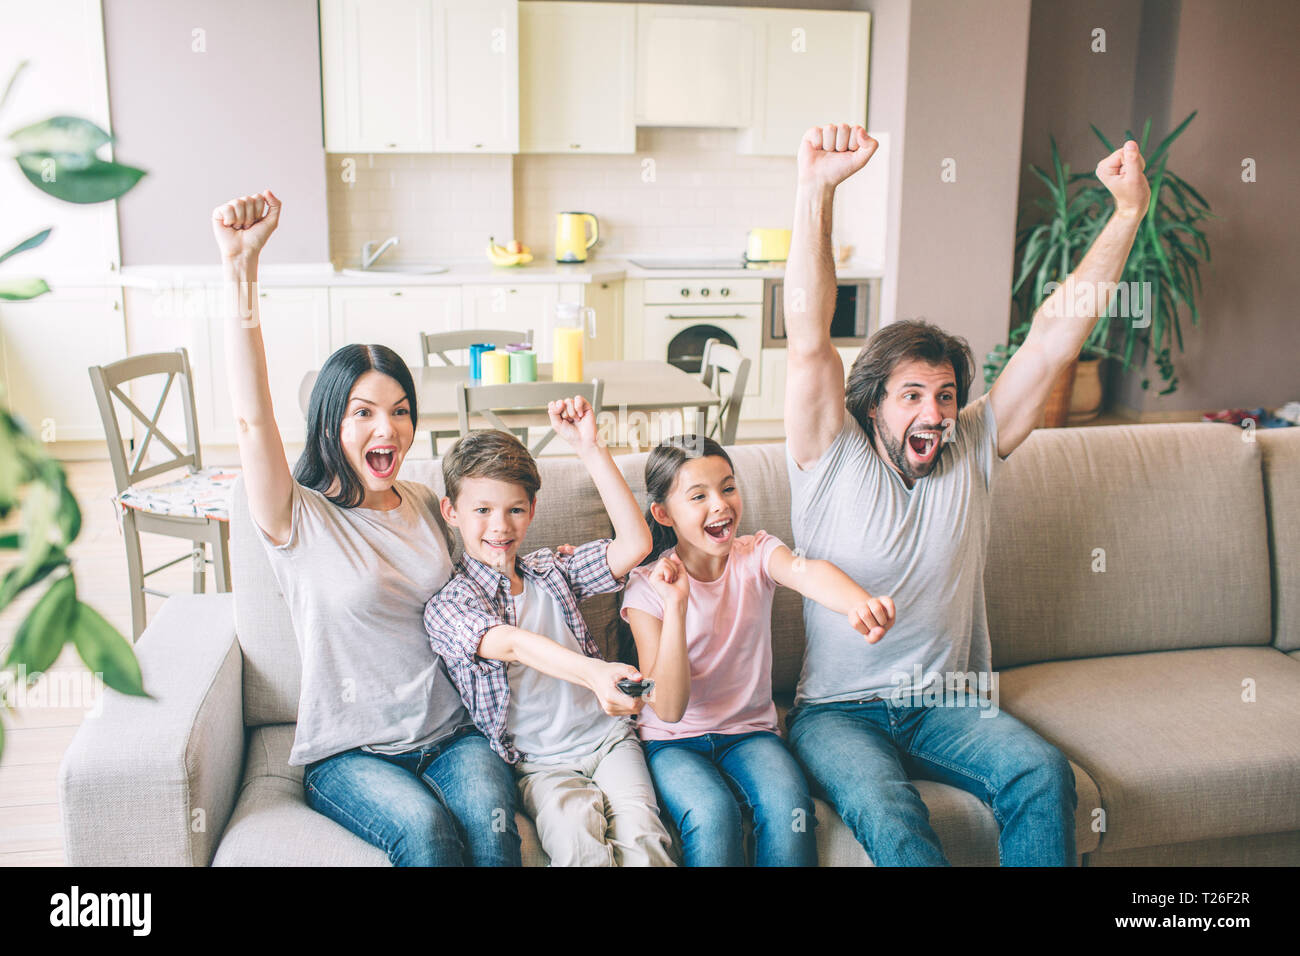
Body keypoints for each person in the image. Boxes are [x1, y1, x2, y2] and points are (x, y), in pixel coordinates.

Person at [782, 123, 1152, 866]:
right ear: (872, 405)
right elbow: (808, 334)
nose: (934, 413)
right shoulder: (829, 453)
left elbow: (1052, 340)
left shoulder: (973, 447)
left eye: (945, 395)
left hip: (945, 705)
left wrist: (1127, 213)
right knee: (890, 812)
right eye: (912, 395)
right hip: (837, 714)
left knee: (1041, 773)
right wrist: (816, 189)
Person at [211, 190, 521, 867]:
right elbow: (252, 419)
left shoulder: (425, 502)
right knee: (427, 837)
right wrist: (241, 268)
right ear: (331, 423)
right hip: (350, 754)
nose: (389, 428)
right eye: (364, 412)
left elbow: (494, 576)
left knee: (495, 833)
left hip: (454, 735)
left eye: (401, 411)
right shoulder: (296, 517)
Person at [619, 435, 895, 867]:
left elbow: (808, 572)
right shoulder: (647, 586)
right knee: (712, 815)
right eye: (699, 496)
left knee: (790, 812)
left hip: (750, 734)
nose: (720, 505)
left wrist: (858, 603)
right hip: (672, 743)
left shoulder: (757, 554)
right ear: (663, 514)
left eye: (728, 487)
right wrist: (676, 606)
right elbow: (667, 708)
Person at [424, 400, 675, 867]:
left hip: (610, 740)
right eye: (482, 509)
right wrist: (595, 673)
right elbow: (512, 643)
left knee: (646, 841)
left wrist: (590, 447)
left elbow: (636, 544)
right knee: (581, 849)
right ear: (451, 511)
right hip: (541, 764)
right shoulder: (450, 605)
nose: (500, 526)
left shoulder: (551, 570)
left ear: (533, 509)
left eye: (515, 509)